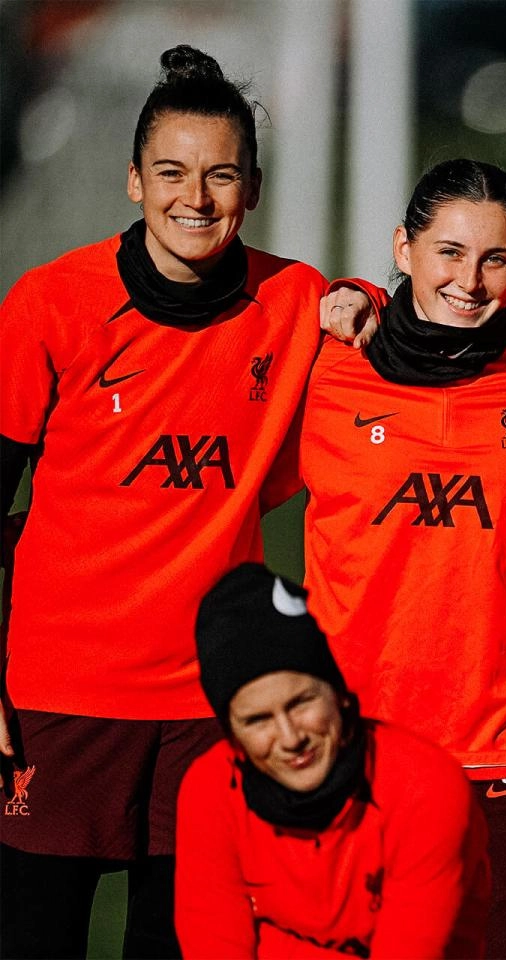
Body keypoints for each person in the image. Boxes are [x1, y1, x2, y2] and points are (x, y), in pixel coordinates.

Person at [0, 46, 323, 957]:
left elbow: (442, 322)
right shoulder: (51, 305)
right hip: (56, 703)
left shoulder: (299, 301)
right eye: (173, 172)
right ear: (133, 181)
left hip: (210, 707)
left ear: (252, 188)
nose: (197, 197)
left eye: (222, 174)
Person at [299, 158, 506, 958]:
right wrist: (350, 293)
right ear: (402, 249)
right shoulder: (323, 366)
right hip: (351, 750)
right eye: (448, 252)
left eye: (494, 258)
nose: (469, 279)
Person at [175, 562, 488, 958]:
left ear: (339, 693)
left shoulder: (425, 786)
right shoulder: (210, 789)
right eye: (258, 720)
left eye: (301, 702)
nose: (290, 738)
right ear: (232, 733)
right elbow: (214, 944)